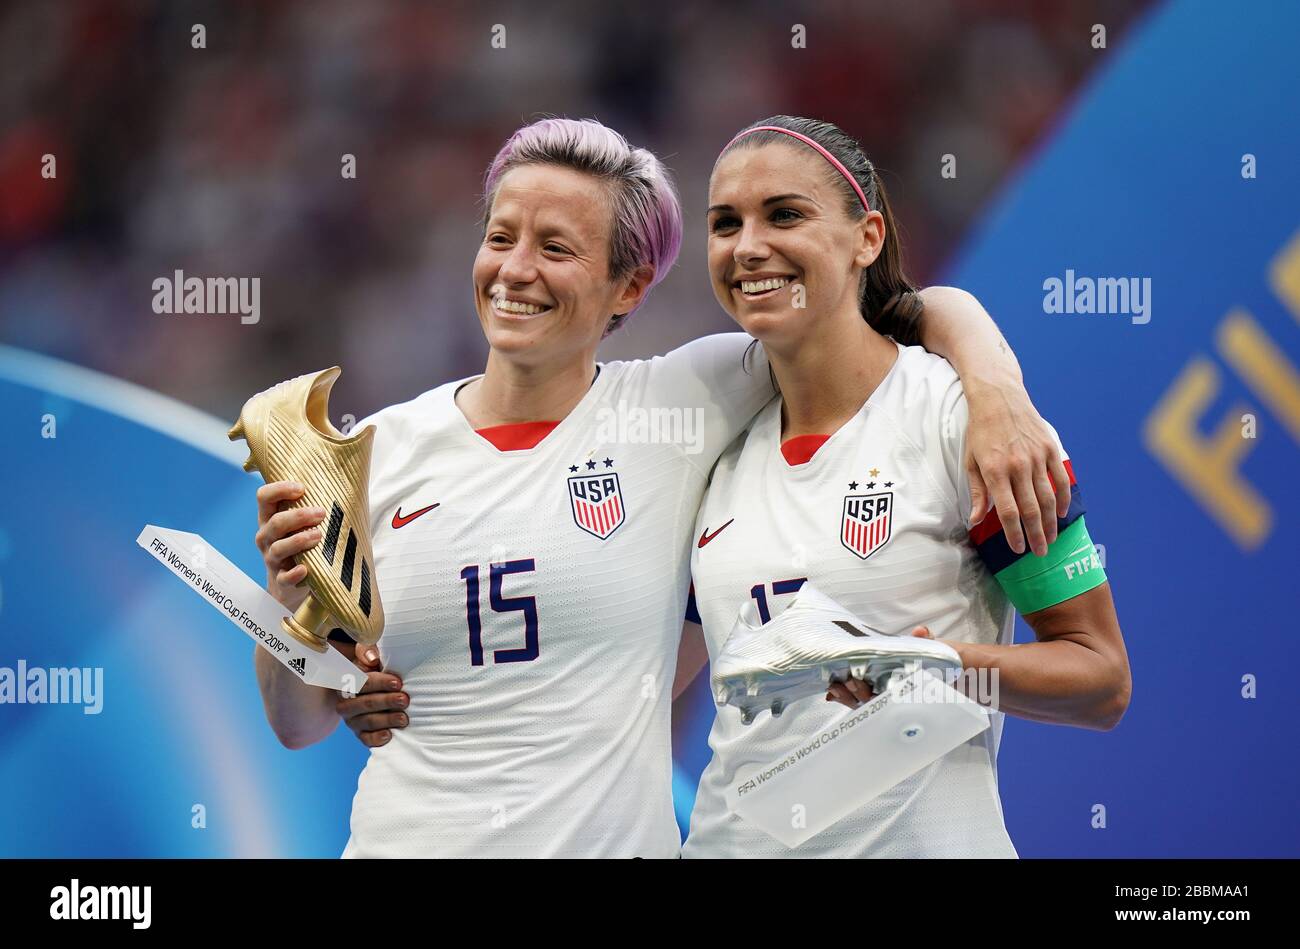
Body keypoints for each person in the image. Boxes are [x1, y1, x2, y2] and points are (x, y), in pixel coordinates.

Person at [251, 117, 1073, 857]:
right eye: (501, 237)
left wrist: (997, 390)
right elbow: (298, 723)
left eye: (557, 247)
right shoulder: (373, 452)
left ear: (630, 287)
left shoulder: (686, 401)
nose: (516, 270)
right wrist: (295, 602)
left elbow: (873, 310)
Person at [680, 116, 1132, 858]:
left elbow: (1100, 676)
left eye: (784, 214)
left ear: (867, 238)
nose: (748, 245)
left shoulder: (970, 422)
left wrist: (930, 666)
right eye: (725, 223)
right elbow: (650, 674)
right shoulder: (711, 440)